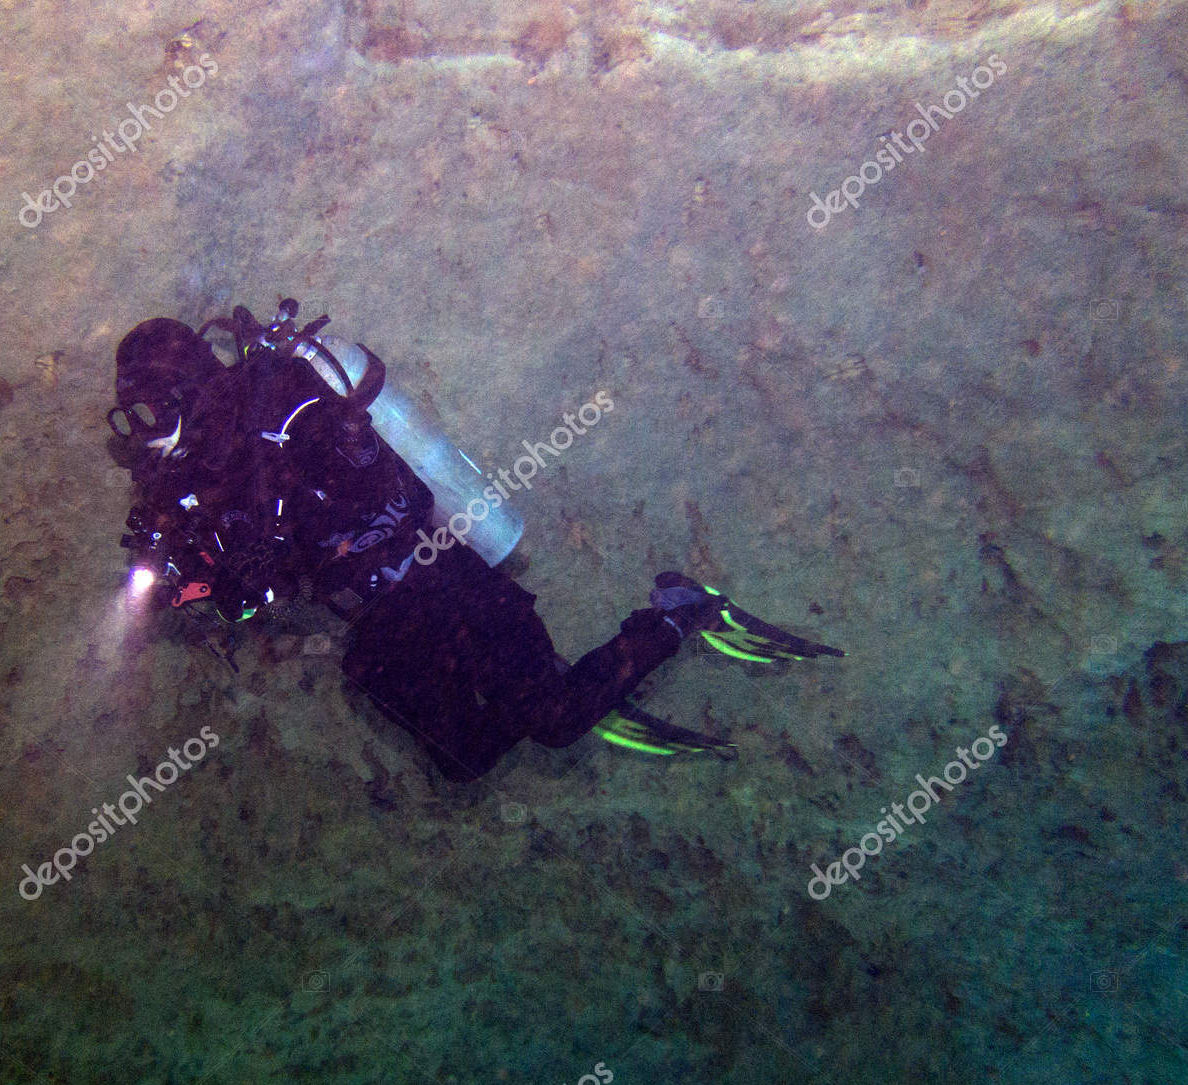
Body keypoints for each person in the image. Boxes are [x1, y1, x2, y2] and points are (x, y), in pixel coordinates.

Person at [107, 301, 841, 782]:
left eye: (147, 408)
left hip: (434, 573)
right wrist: (189, 586)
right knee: (466, 761)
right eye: (131, 415)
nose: (142, 433)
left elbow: (378, 486)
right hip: (375, 623)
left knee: (550, 723)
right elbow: (244, 598)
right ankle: (555, 681)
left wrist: (322, 460)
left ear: (182, 390)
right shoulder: (193, 489)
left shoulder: (280, 400)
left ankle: (679, 612)